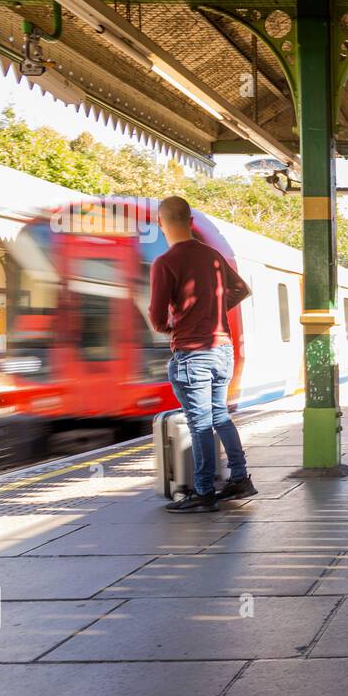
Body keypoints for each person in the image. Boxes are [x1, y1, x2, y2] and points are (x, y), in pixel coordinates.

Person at [148, 196, 257, 512]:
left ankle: (204, 491)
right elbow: (242, 290)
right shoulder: (213, 256)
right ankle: (240, 478)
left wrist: (178, 323)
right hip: (222, 350)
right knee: (220, 416)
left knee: (200, 424)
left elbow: (157, 319)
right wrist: (212, 311)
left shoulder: (165, 263)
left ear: (161, 222)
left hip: (193, 353)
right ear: (190, 220)